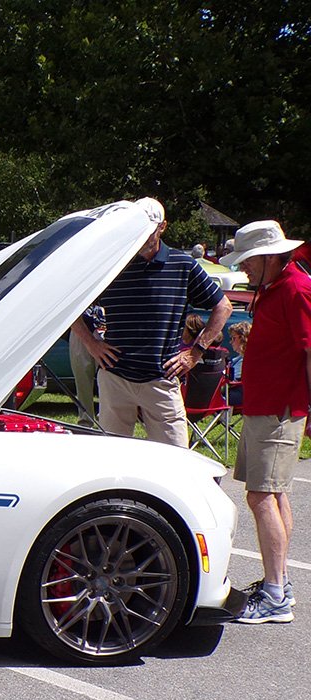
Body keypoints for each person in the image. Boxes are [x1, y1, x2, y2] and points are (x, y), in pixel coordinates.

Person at [68, 198, 232, 447]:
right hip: (115, 377)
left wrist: (195, 353)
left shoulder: (182, 265)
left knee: (176, 458)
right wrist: (92, 344)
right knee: (112, 459)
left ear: (162, 227)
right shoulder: (113, 265)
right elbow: (71, 305)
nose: (143, 236)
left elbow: (223, 306)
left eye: (149, 228)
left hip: (160, 378)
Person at [220, 220, 311, 624]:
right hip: (266, 407)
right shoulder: (277, 287)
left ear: (270, 256)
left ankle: (275, 594)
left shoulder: (296, 289)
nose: (245, 270)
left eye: (249, 262)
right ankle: (280, 584)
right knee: (274, 496)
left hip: (279, 410)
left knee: (261, 497)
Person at [68, 305, 105, 425]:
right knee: (82, 377)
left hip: (106, 326)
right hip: (81, 325)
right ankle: (85, 422)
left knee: (108, 378)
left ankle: (107, 420)